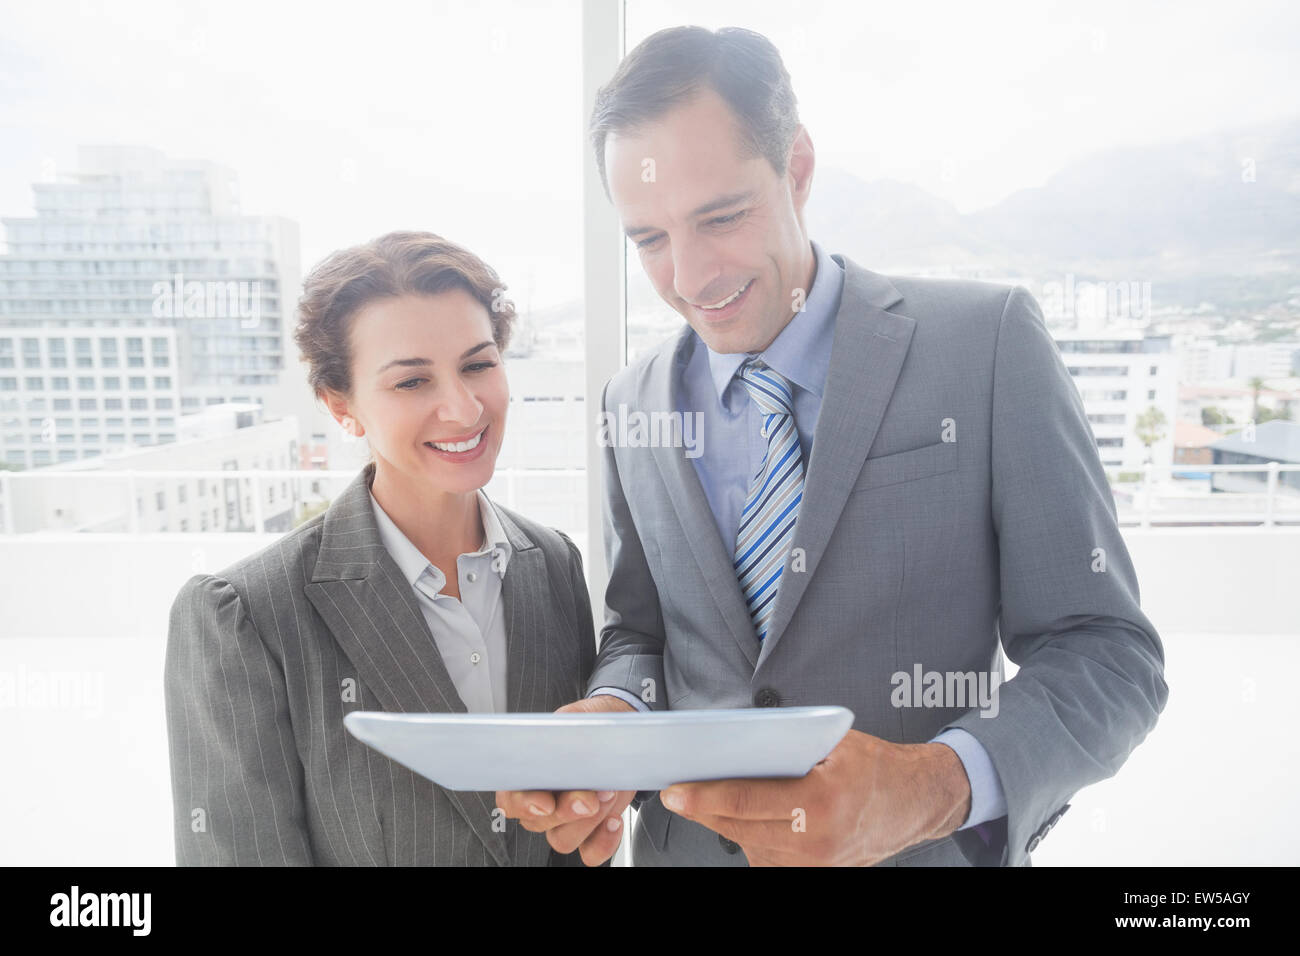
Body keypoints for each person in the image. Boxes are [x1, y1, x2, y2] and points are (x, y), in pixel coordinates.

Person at [498, 25, 1168, 866]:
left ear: (799, 168)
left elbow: (1107, 653)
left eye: (721, 216)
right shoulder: (632, 402)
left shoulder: (984, 344)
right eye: (650, 240)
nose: (692, 275)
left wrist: (932, 786)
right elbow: (641, 636)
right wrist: (616, 715)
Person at [164, 231, 603, 865]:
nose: (462, 406)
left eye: (478, 365)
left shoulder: (555, 565)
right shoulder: (245, 616)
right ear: (342, 407)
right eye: (411, 382)